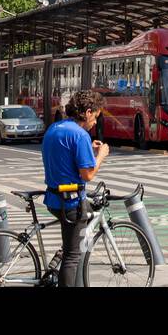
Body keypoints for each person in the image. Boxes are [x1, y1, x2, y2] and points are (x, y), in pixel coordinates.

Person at [41, 88, 110, 287]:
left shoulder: (55, 128)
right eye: (95, 116)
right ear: (88, 112)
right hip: (70, 201)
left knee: (72, 241)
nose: (96, 122)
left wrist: (89, 150)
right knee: (73, 256)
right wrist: (100, 156)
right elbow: (87, 174)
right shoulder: (80, 135)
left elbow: (65, 156)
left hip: (53, 198)